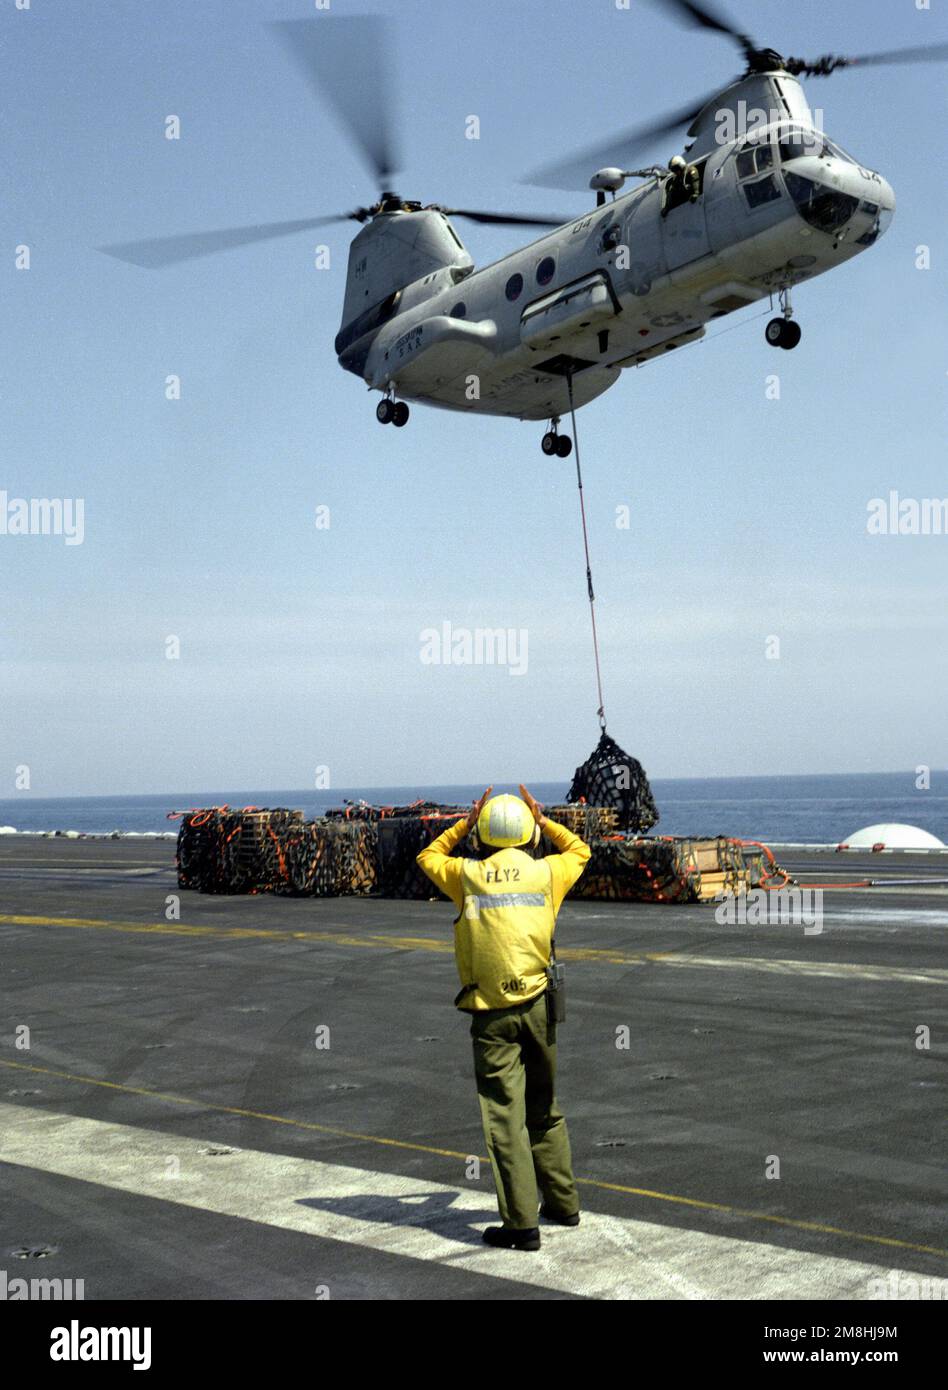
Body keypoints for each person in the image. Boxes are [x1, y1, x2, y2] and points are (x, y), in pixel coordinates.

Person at [416, 784, 591, 1251]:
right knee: (546, 1110)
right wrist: (544, 817)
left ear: (483, 836)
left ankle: (521, 1225)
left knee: (505, 1119)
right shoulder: (547, 874)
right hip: (539, 1007)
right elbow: (580, 849)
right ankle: (564, 1204)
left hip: (492, 1016)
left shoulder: (467, 875)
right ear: (530, 832)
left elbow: (428, 856)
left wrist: (464, 823)